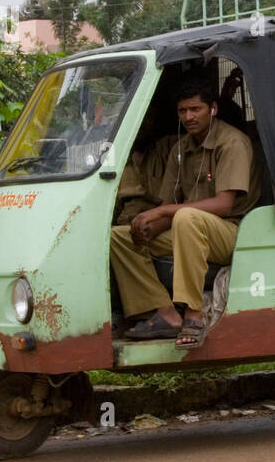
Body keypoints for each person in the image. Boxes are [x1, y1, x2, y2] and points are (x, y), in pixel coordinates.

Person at [109, 78, 259, 348]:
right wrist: (149, 226)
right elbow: (168, 205)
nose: (188, 117)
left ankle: (193, 314)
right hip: (190, 230)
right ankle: (164, 312)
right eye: (183, 111)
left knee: (185, 218)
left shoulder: (232, 142)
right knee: (121, 236)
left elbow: (224, 204)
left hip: (234, 232)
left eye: (195, 109)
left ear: (212, 109)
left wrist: (163, 211)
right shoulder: (181, 149)